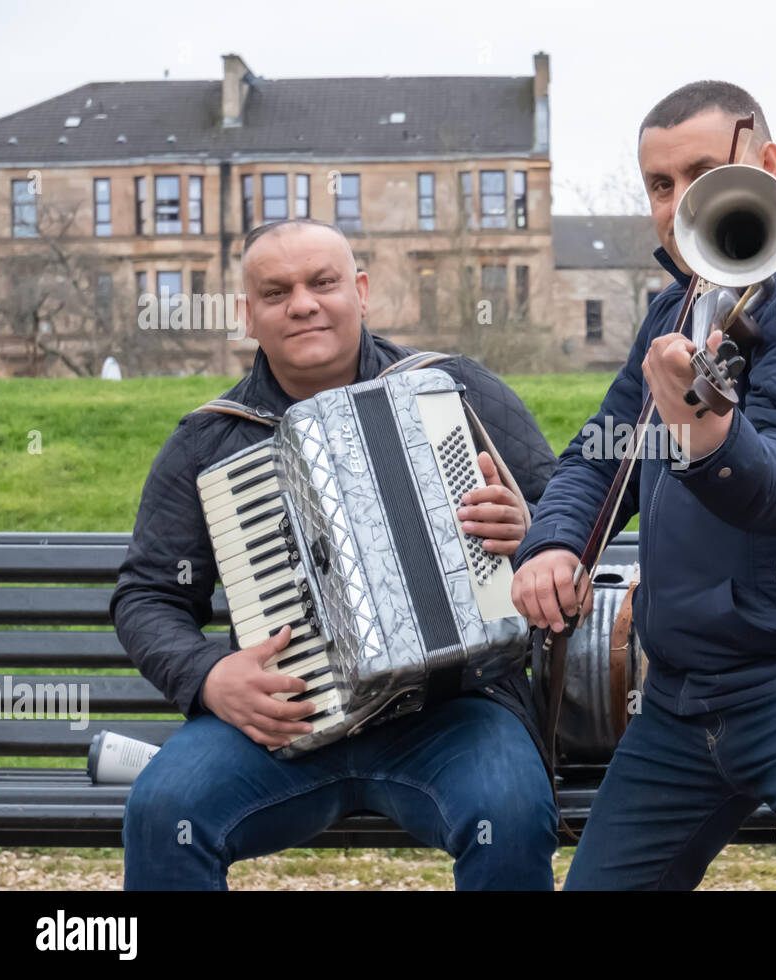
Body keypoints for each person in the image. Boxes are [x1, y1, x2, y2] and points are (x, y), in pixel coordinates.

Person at [511, 83, 776, 890]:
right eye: (659, 186)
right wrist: (554, 540)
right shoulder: (680, 302)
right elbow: (601, 452)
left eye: (701, 173)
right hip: (683, 696)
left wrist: (708, 439)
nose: (676, 204)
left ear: (767, 164)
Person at [111, 217, 560, 890]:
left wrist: (534, 532)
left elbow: (572, 515)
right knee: (163, 810)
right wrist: (208, 676)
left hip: (458, 710)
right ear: (247, 314)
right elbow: (148, 594)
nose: (302, 303)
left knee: (513, 813)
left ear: (360, 290)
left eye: (322, 282)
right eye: (276, 291)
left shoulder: (453, 387)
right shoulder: (208, 442)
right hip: (286, 722)